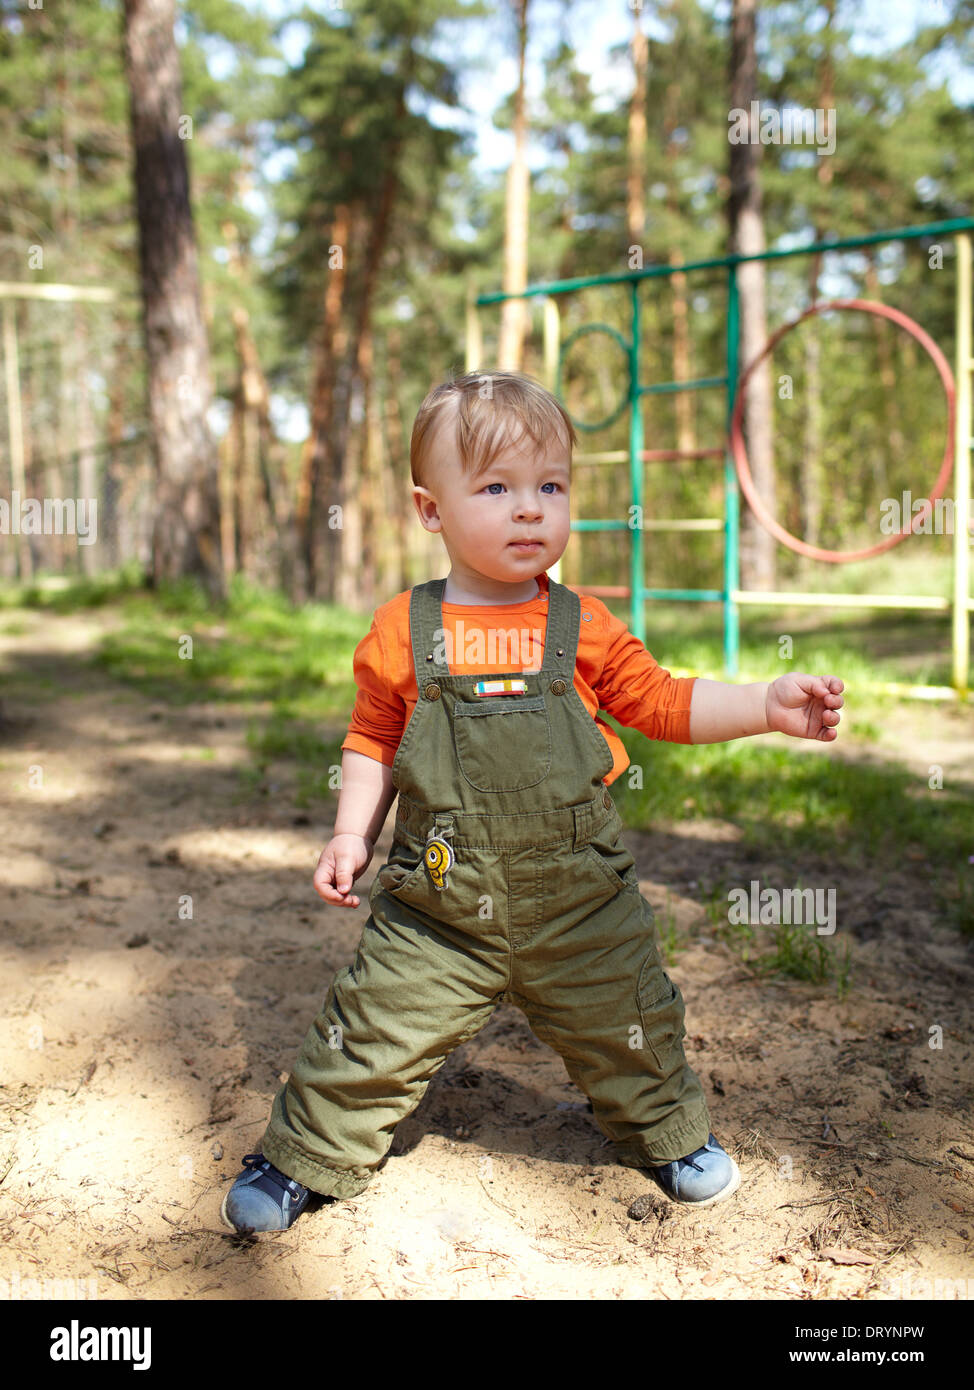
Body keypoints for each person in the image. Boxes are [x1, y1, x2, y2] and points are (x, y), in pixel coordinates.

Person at [222, 369, 844, 1233]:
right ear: (430, 509)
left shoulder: (582, 624)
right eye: (498, 488)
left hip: (578, 899)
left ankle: (666, 1131)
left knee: (631, 1018)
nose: (530, 510)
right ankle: (305, 1158)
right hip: (439, 903)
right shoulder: (404, 629)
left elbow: (663, 700)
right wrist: (348, 834)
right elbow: (372, 740)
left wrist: (765, 707)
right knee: (369, 1027)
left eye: (551, 487)